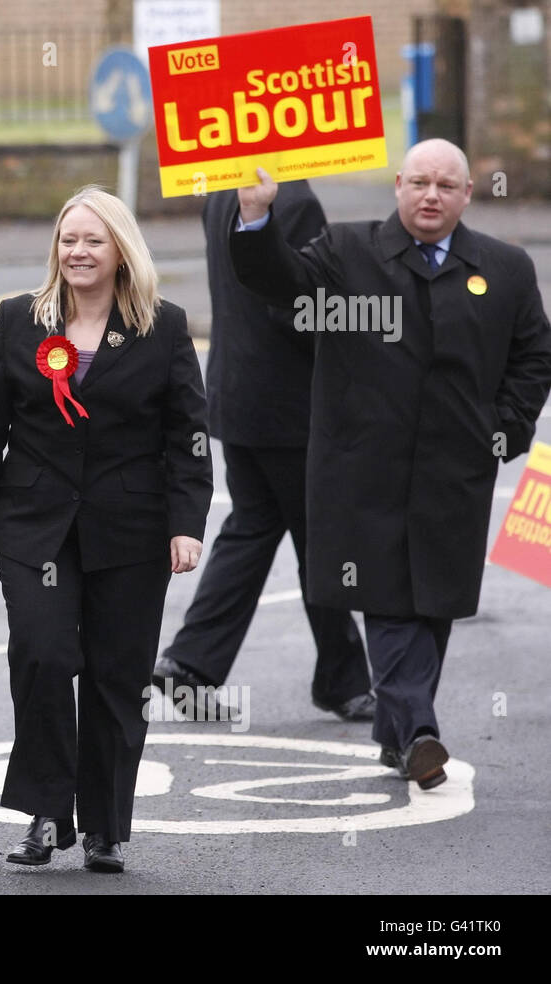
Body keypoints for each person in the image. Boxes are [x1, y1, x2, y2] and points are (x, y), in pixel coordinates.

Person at [232, 138, 551, 788]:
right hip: (361, 473)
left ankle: (394, 733)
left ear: (466, 195)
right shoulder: (347, 252)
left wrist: (505, 428)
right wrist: (258, 219)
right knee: (389, 601)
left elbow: (533, 356)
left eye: (446, 185)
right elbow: (282, 287)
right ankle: (420, 731)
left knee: (433, 603)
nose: (431, 195)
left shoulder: (506, 267)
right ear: (398, 186)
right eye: (419, 182)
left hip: (454, 475)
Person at [0, 186, 213, 872]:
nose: (77, 252)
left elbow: (188, 436)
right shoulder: (20, 320)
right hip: (33, 525)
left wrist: (187, 525)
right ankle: (45, 811)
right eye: (68, 240)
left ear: (121, 250)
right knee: (42, 653)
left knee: (116, 675)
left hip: (132, 530)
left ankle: (105, 825)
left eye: (93, 240)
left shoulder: (163, 326)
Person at [154, 182, 375, 720]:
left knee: (253, 527)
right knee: (319, 540)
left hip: (237, 395)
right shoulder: (294, 201)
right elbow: (293, 305)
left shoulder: (223, 194)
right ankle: (342, 681)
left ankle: (189, 663)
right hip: (288, 407)